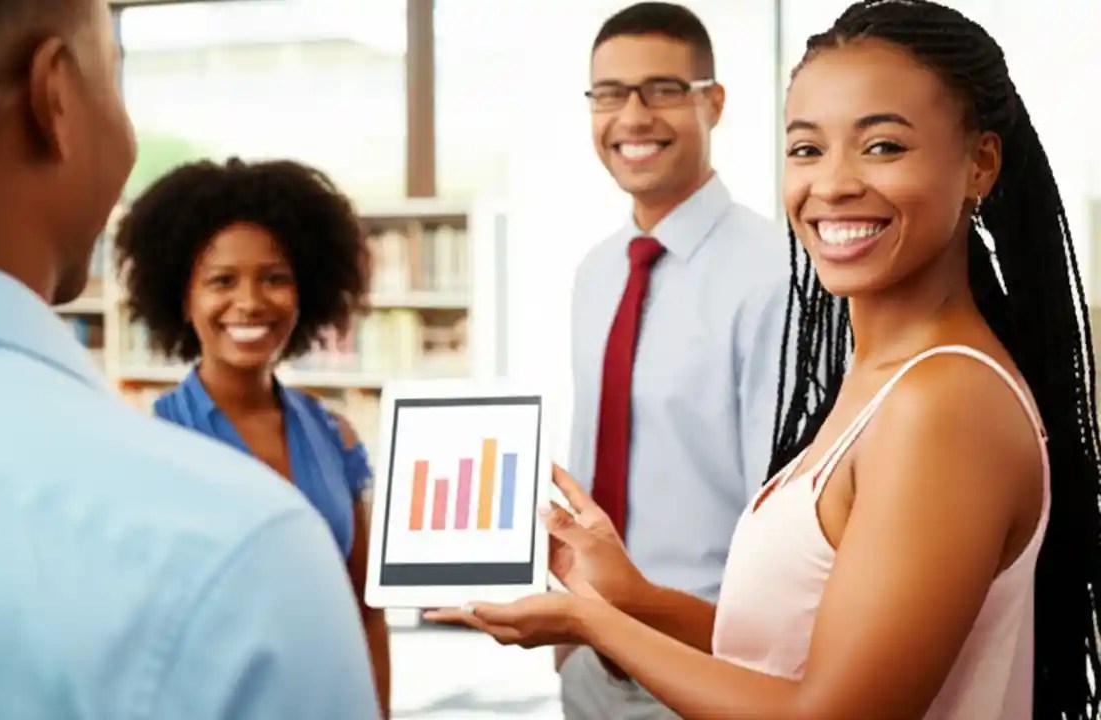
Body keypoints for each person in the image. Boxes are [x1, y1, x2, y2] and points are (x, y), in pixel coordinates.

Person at [429, 0, 1101, 717]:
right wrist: (633, 598)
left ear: (980, 165)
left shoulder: (944, 403)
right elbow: (791, 656)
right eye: (807, 149)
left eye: (882, 146)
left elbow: (831, 714)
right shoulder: (879, 380)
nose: (832, 184)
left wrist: (591, 623)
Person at [0, 2, 379, 718]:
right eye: (115, 79)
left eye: (275, 277)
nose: (250, 301)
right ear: (55, 94)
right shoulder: (235, 548)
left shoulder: (310, 456)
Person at [558, 3, 789, 717]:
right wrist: (575, 632)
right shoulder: (598, 272)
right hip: (593, 663)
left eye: (661, 90)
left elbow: (781, 513)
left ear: (712, 103)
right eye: (609, 94)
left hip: (713, 662)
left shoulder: (777, 274)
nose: (632, 116)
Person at [112, 157, 392, 717]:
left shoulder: (333, 435)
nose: (250, 302)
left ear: (305, 291)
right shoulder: (154, 445)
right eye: (222, 280)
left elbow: (366, 609)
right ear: (183, 298)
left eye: (274, 278)